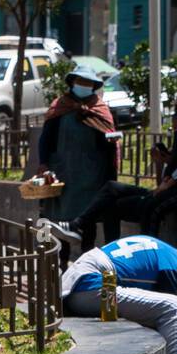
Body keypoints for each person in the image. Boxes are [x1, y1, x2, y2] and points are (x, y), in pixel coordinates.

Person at [56, 92, 177, 248]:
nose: (175, 131)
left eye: (176, 128)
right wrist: (160, 163)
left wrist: (165, 186)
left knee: (150, 206)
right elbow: (164, 179)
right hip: (165, 189)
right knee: (111, 195)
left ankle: (146, 256)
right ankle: (105, 248)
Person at [38, 66, 118, 234]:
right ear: (72, 82)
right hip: (62, 171)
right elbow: (46, 138)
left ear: (93, 86)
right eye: (80, 81)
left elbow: (108, 142)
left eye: (87, 82)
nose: (83, 85)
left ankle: (86, 253)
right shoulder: (60, 106)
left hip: (92, 176)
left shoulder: (99, 109)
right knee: (59, 218)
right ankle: (61, 258)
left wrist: (111, 142)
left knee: (88, 218)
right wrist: (44, 163)